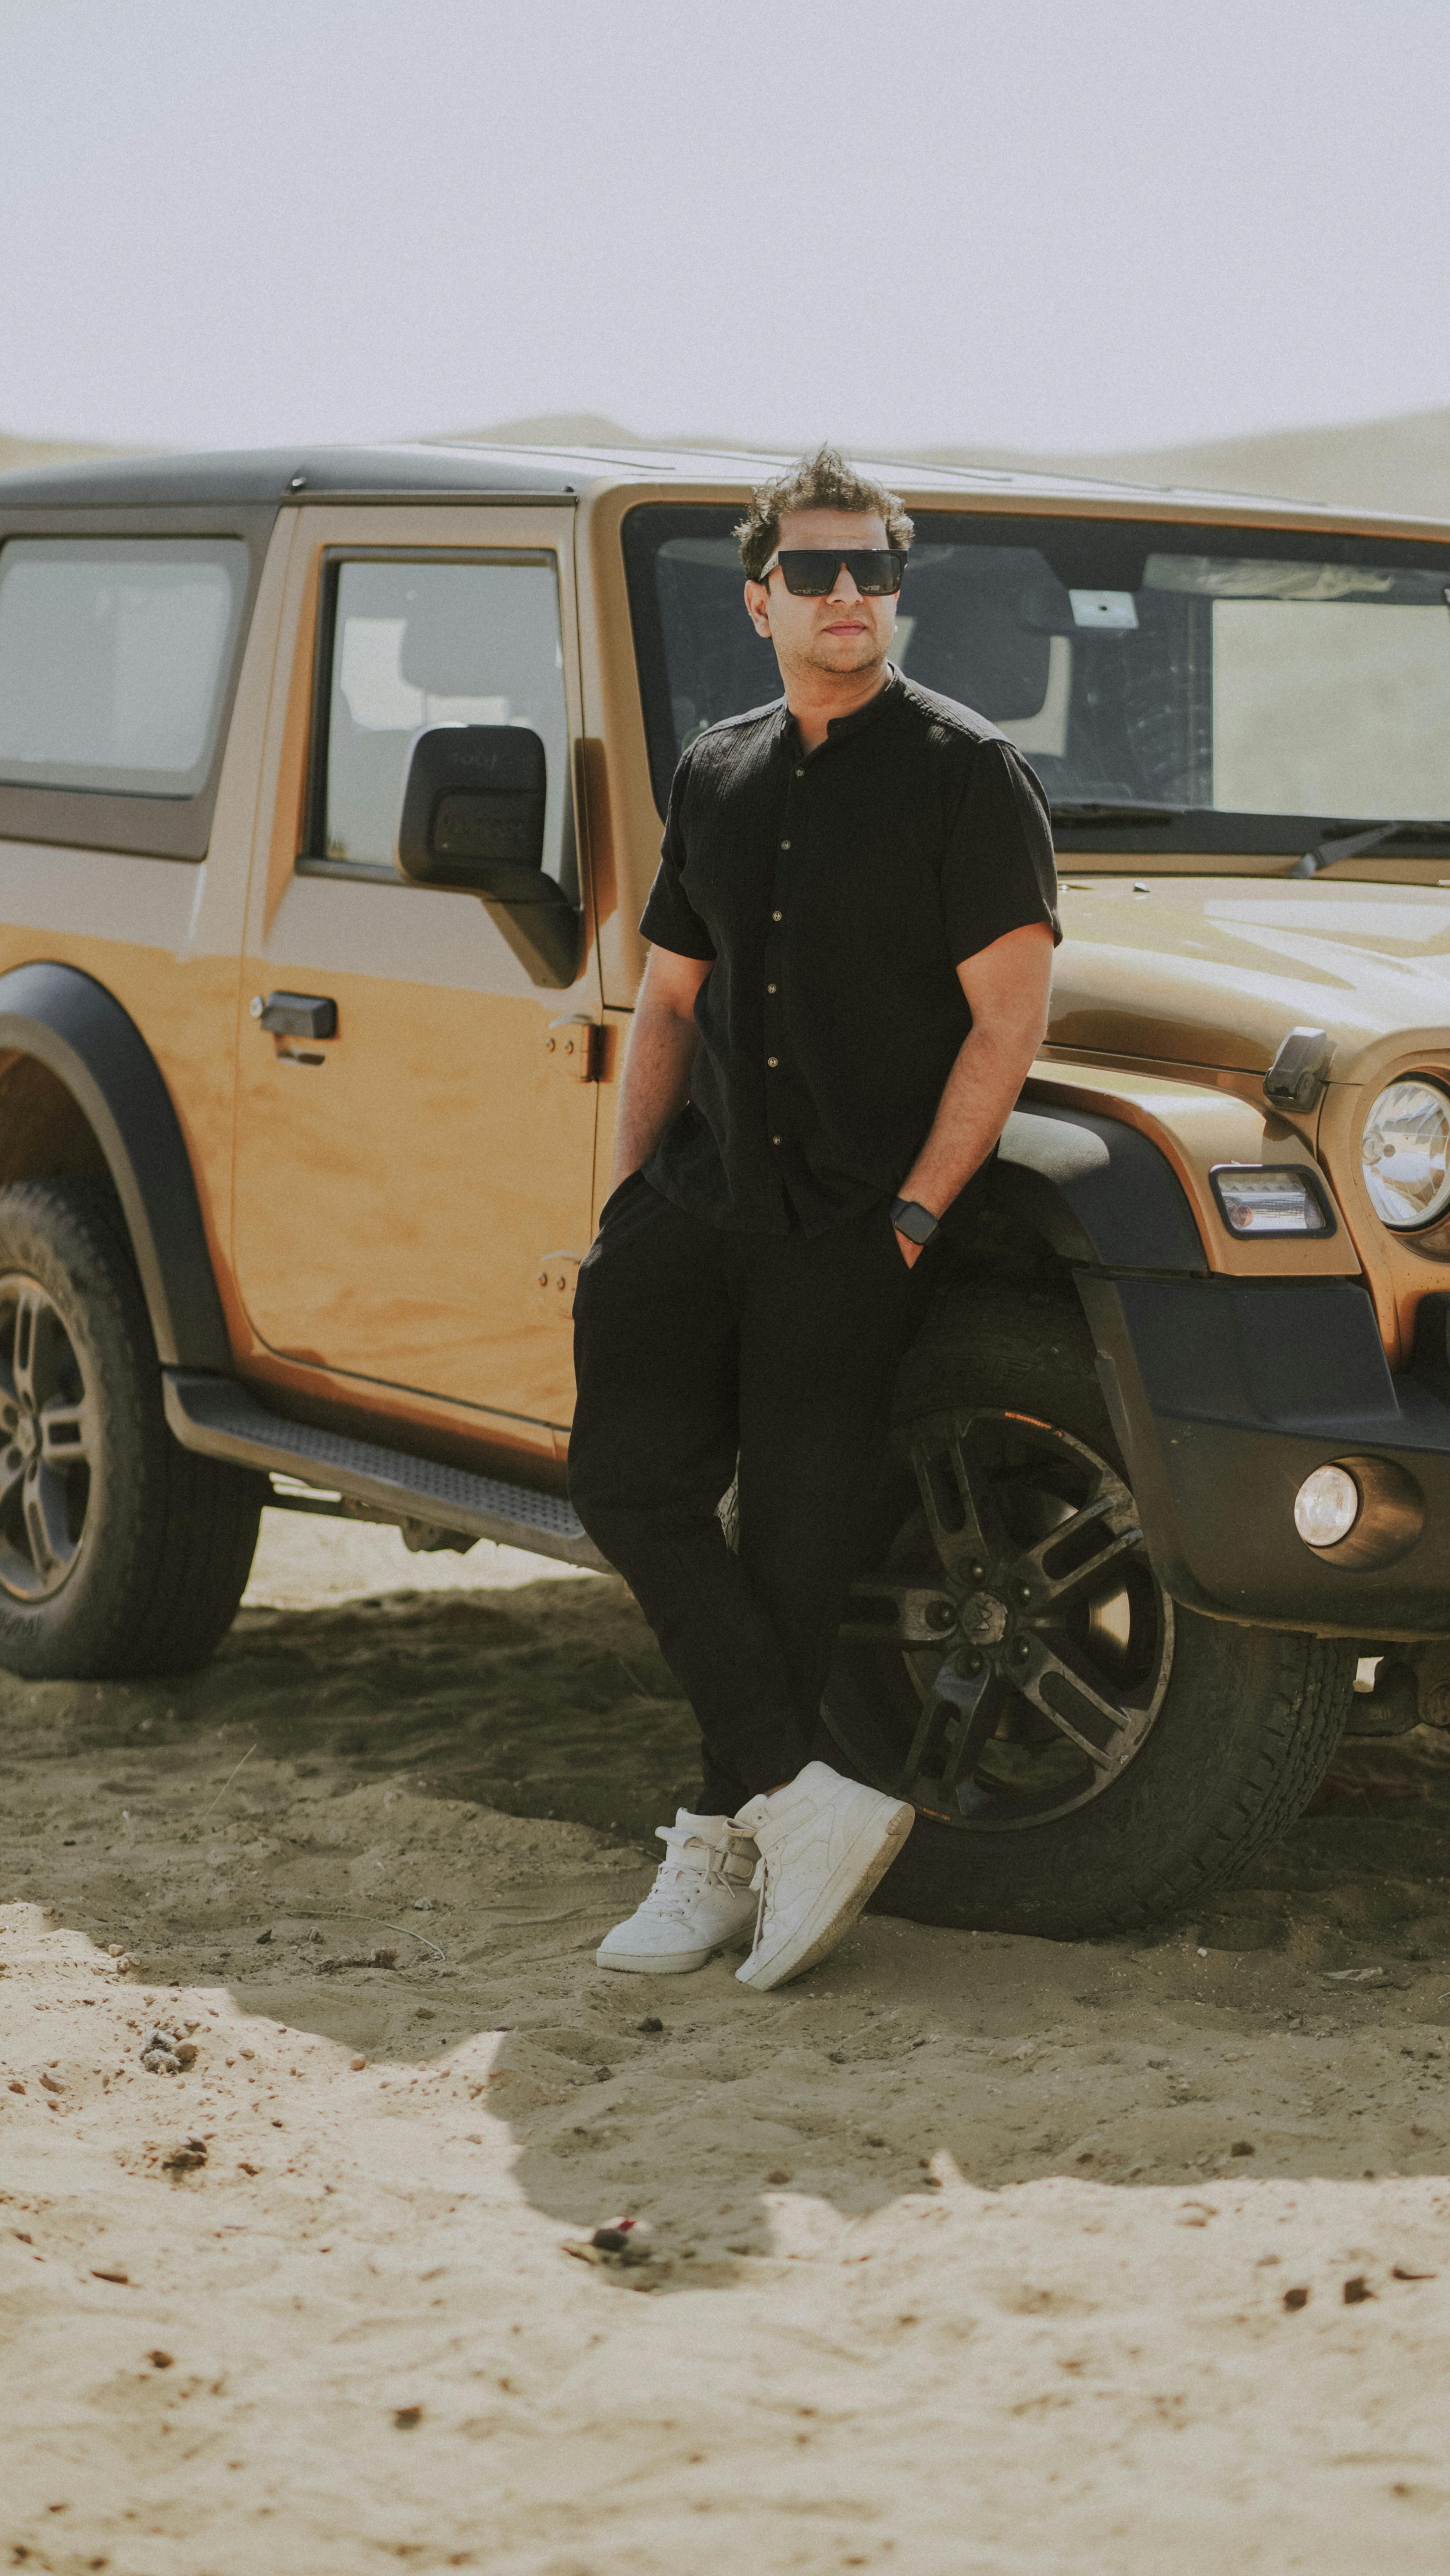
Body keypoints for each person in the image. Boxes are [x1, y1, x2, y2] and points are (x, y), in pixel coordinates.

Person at [569, 446, 1058, 1992]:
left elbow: (1005, 1024)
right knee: (625, 1485)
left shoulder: (965, 774)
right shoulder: (715, 768)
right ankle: (800, 1797)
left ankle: (723, 1847)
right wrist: (629, 1191)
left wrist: (912, 1216)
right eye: (818, 572)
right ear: (758, 598)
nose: (849, 597)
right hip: (694, 1206)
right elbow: (666, 1002)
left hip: (848, 1229)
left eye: (873, 575)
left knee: (790, 1548)